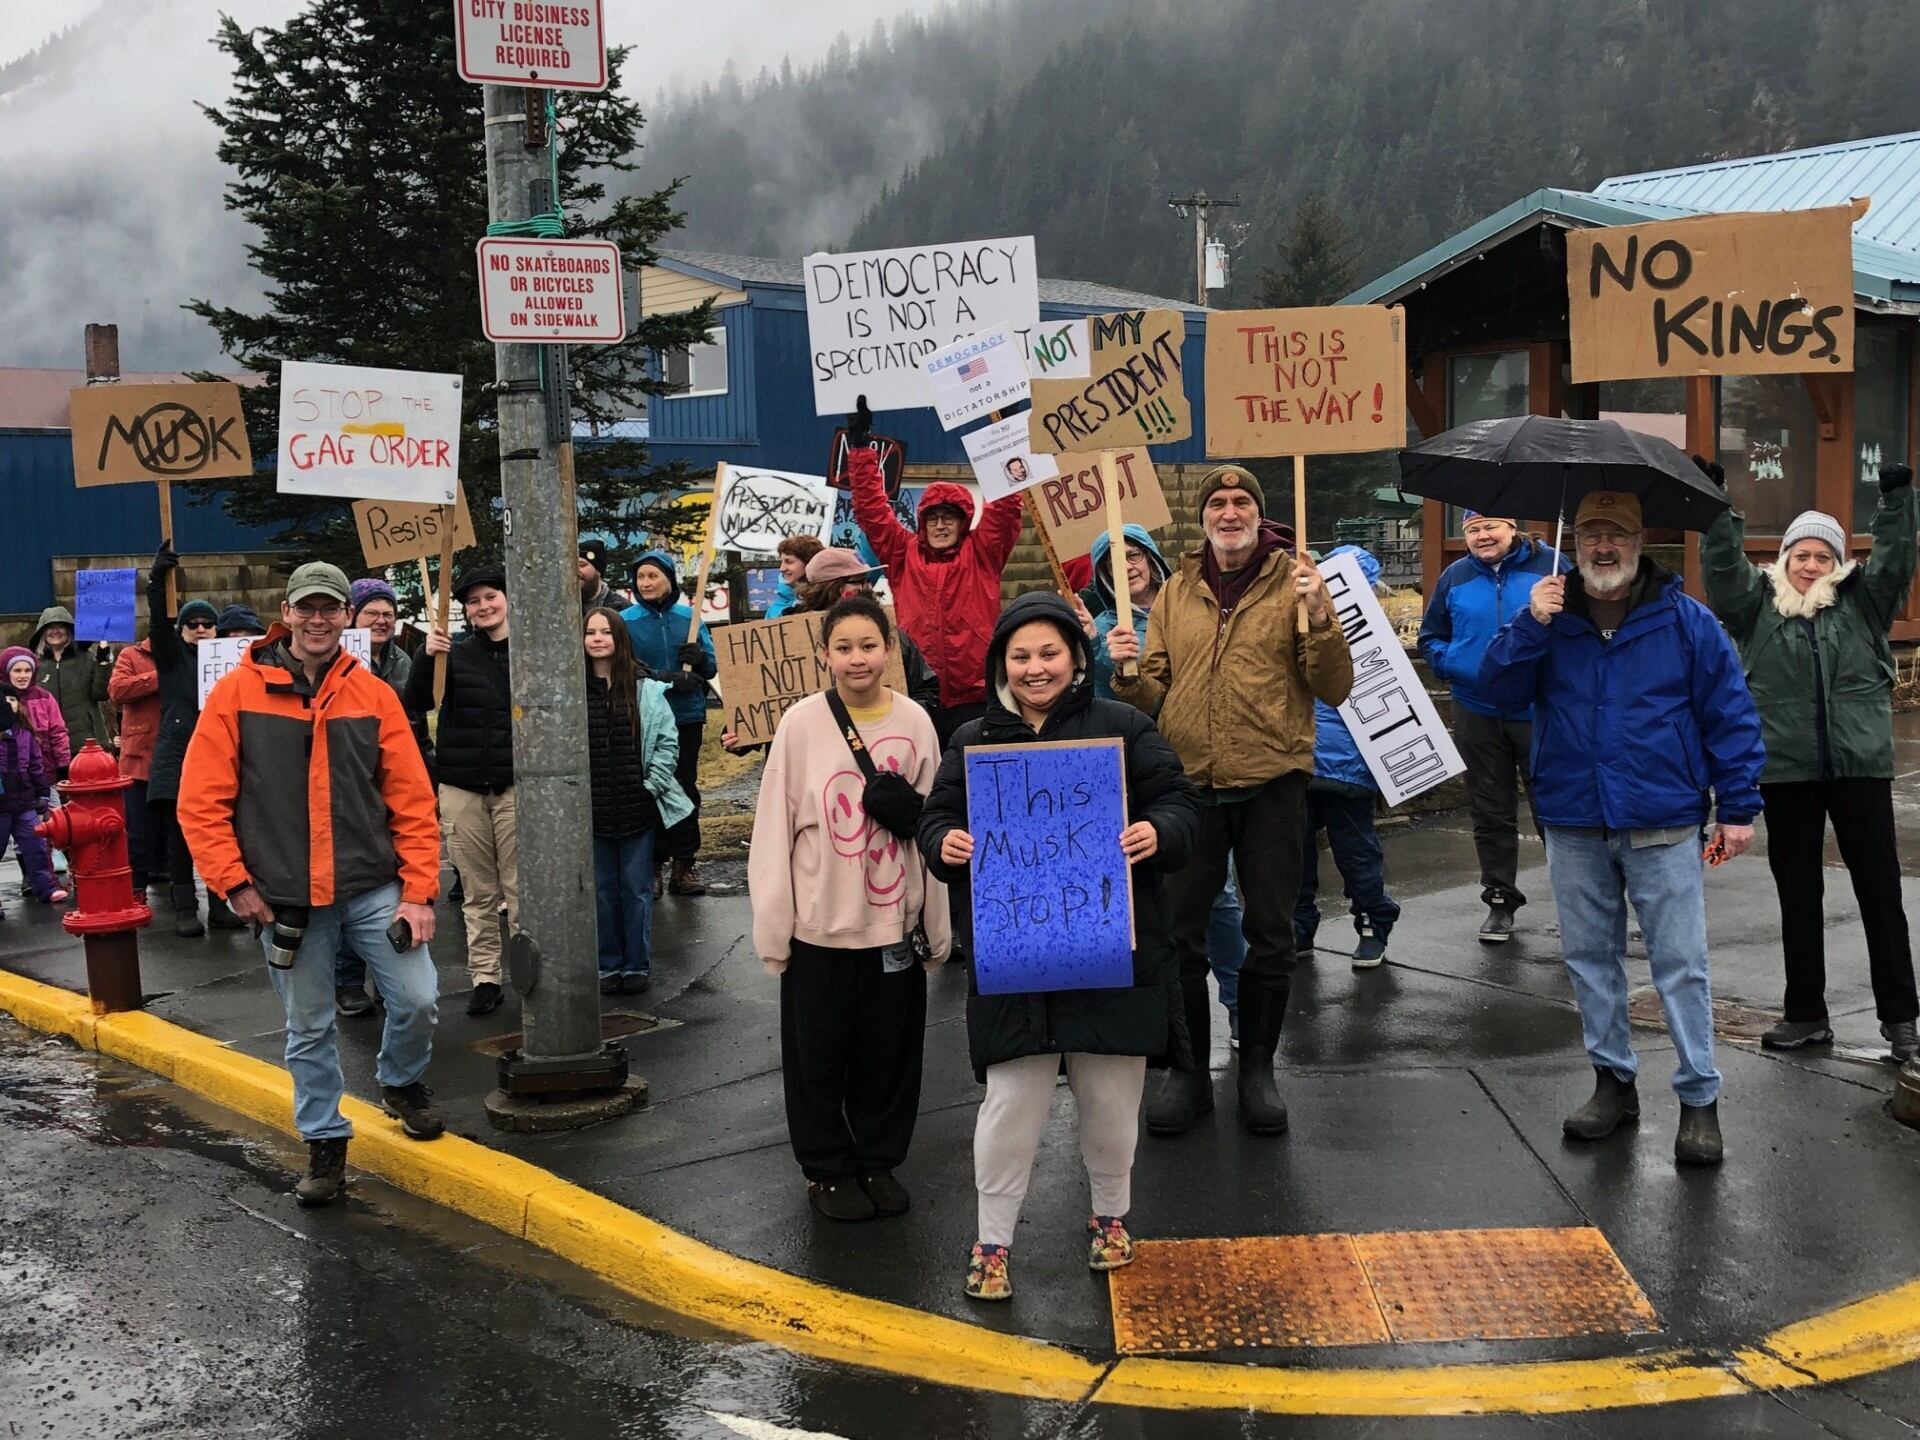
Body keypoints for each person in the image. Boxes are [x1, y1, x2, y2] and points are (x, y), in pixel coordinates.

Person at [923, 593, 1199, 1300]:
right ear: (1001, 666)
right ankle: (993, 1241)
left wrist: (1158, 833)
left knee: (1111, 1100)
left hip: (1111, 951)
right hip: (1016, 956)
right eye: (1020, 656)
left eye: (1049, 653)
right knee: (1011, 1103)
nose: (1035, 668)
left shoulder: (1125, 727)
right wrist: (944, 843)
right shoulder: (972, 740)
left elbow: (1178, 804)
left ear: (1078, 657)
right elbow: (938, 820)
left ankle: (1110, 1216)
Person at [1480, 490, 1765, 1167]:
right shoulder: (1547, 616)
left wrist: (1740, 806)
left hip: (1661, 818)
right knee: (1589, 960)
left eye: (1617, 535)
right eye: (1590, 535)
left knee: (1680, 966)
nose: (1602, 548)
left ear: (1641, 543)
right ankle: (1613, 1081)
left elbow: (1731, 714)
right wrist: (1528, 626)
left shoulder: (1687, 622)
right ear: (1573, 543)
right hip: (1574, 817)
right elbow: (1495, 692)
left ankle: (1699, 1097)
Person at [178, 561, 443, 1208]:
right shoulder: (238, 692)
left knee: (417, 998)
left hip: (372, 885)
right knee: (310, 1027)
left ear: (347, 615)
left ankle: (401, 1081)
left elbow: (411, 799)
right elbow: (201, 801)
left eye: (331, 608)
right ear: (287, 613)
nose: (319, 619)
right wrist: (233, 884)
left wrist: (419, 891)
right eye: (308, 608)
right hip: (286, 897)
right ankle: (325, 1142)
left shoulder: (375, 693)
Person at [1107, 465, 1352, 1138]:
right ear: (1204, 517)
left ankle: (1258, 1068)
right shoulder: (1176, 590)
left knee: (1271, 935)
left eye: (1243, 500)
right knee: (1181, 935)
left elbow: (1334, 686)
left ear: (1259, 514)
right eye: (1218, 502)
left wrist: (1322, 615)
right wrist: (1126, 668)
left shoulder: (1294, 583)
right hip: (1190, 784)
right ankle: (1188, 1072)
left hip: (1273, 780)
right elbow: (1151, 692)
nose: (1230, 511)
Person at [1700, 460, 1920, 1064]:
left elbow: (1899, 559)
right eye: (1801, 554)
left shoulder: (1866, 605)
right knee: (1798, 896)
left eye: (1823, 556)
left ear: (1839, 563)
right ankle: (1805, 1015)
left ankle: (1902, 1021)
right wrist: (1716, 504)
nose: (1810, 565)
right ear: (1785, 559)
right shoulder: (1756, 607)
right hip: (1786, 771)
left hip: (1861, 770)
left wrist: (1897, 503)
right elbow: (1722, 568)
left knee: (1881, 895)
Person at [749, 595, 949, 1222]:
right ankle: (827, 1166)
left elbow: (935, 827)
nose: (858, 659)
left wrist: (936, 926)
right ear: (824, 656)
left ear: (891, 649)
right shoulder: (801, 724)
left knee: (889, 1054)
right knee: (818, 1055)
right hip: (819, 924)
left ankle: (879, 1158)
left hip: (893, 925)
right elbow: (775, 828)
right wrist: (774, 929)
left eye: (869, 645)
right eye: (844, 648)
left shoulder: (917, 722)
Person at [1087, 523, 1249, 1046]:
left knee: (1218, 896)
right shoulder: (1100, 630)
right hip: (1128, 778)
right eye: (1112, 559)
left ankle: (1238, 998)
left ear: (1152, 558)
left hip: (1191, 771)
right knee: (1139, 903)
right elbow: (1093, 704)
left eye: (1133, 554)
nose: (1126, 565)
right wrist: (1093, 652)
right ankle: (1159, 1014)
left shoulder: (1188, 608)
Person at [1417, 512, 1567, 944]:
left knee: (1554, 809)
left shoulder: (1553, 567)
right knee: (1490, 810)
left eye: (1491, 527)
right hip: (1476, 708)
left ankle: (1576, 901)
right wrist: (1456, 664)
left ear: (1513, 528)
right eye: (1473, 529)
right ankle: (1500, 899)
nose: (1483, 536)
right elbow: (1431, 637)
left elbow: (1580, 630)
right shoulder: (1455, 577)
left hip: (1539, 710)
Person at [845, 399, 1025, 742]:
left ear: (963, 522)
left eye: (949, 518)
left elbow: (1006, 501)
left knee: (974, 783)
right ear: (922, 522)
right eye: (933, 518)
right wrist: (859, 448)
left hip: (977, 698)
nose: (940, 525)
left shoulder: (983, 552)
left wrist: (1009, 435)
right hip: (919, 696)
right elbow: (871, 510)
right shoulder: (902, 553)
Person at [406, 565, 516, 1017]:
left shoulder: (531, 650)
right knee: (478, 892)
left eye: (491, 596)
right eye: (473, 601)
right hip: (462, 787)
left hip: (514, 787)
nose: (484, 606)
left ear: (507, 599)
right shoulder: (452, 655)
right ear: (465, 611)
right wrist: (425, 657)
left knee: (521, 889)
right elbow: (417, 703)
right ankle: (486, 977)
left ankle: (531, 973)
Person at [1295, 546, 1399, 970]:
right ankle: (1299, 926)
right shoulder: (1300, 622)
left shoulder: (1376, 639)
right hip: (1300, 761)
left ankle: (1373, 920)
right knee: (1294, 853)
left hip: (1348, 766)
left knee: (1355, 851)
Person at [584, 606, 691, 996]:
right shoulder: (575, 691)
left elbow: (667, 742)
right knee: (603, 891)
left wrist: (651, 785)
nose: (597, 639)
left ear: (619, 638)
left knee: (636, 890)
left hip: (636, 808)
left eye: (605, 632)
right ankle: (608, 964)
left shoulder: (645, 689)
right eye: (590, 632)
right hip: (593, 811)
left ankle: (636, 964)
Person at [334, 578, 417, 1017]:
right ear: (352, 616)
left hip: (394, 784)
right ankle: (348, 980)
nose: (382, 620)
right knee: (353, 887)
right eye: (372, 612)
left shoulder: (405, 662)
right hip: (351, 790)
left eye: (388, 612)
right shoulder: (338, 664)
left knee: (392, 886)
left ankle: (390, 980)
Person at [621, 551, 717, 897]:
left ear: (669, 579)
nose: (646, 583)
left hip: (686, 715)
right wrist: (663, 677)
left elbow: (711, 667)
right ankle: (653, 865)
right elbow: (623, 665)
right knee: (652, 787)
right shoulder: (626, 621)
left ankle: (685, 863)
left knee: (685, 786)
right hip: (645, 716)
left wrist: (700, 661)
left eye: (653, 576)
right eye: (641, 577)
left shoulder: (689, 618)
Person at [142, 545, 215, 936]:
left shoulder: (229, 661)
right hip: (178, 760)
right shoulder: (171, 659)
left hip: (219, 760)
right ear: (183, 629)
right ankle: (185, 909)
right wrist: (158, 580)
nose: (201, 629)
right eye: (193, 624)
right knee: (179, 840)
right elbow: (158, 623)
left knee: (223, 835)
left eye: (207, 623)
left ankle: (222, 906)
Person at [108, 630, 161, 893]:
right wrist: (159, 677)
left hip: (176, 754)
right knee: (137, 830)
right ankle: (136, 889)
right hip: (138, 757)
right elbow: (116, 690)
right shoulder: (131, 654)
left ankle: (168, 878)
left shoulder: (192, 655)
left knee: (171, 830)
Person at [0, 693, 63, 907]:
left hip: (24, 802)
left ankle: (47, 887)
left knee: (36, 845)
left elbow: (36, 767)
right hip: (2, 806)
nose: (8, 704)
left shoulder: (25, 734)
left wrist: (42, 793)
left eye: (12, 700)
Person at [31, 605, 112, 764]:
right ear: (42, 632)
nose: (55, 631)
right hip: (50, 747)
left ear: (70, 631)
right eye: (50, 627)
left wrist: (103, 662)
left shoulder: (87, 658)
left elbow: (101, 693)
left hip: (87, 743)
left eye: (60, 626)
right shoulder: (35, 665)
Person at [766, 534, 824, 619]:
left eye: (788, 562)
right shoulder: (775, 608)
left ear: (809, 563)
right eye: (781, 562)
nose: (782, 569)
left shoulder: (828, 602)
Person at [578, 538, 634, 616]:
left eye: (582, 565)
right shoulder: (562, 607)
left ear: (598, 571)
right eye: (572, 566)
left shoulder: (622, 610)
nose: (576, 571)